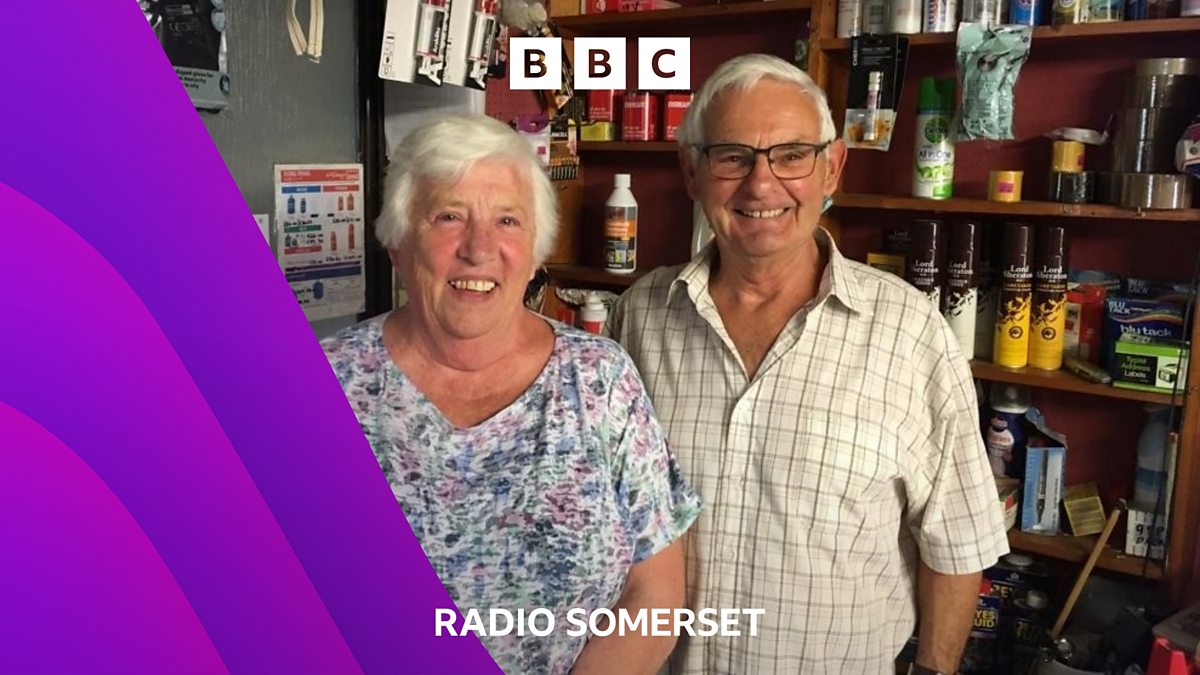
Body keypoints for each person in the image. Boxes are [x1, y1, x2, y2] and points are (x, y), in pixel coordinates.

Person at [606, 54, 1009, 674]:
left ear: (833, 168)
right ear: (691, 171)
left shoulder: (910, 331)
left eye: (792, 154)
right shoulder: (637, 319)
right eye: (732, 156)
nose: (761, 186)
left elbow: (957, 539)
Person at [323, 113, 701, 675]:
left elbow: (655, 594)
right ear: (398, 243)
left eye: (507, 220)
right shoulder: (325, 383)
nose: (480, 249)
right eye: (449, 216)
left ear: (535, 254)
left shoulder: (599, 379)